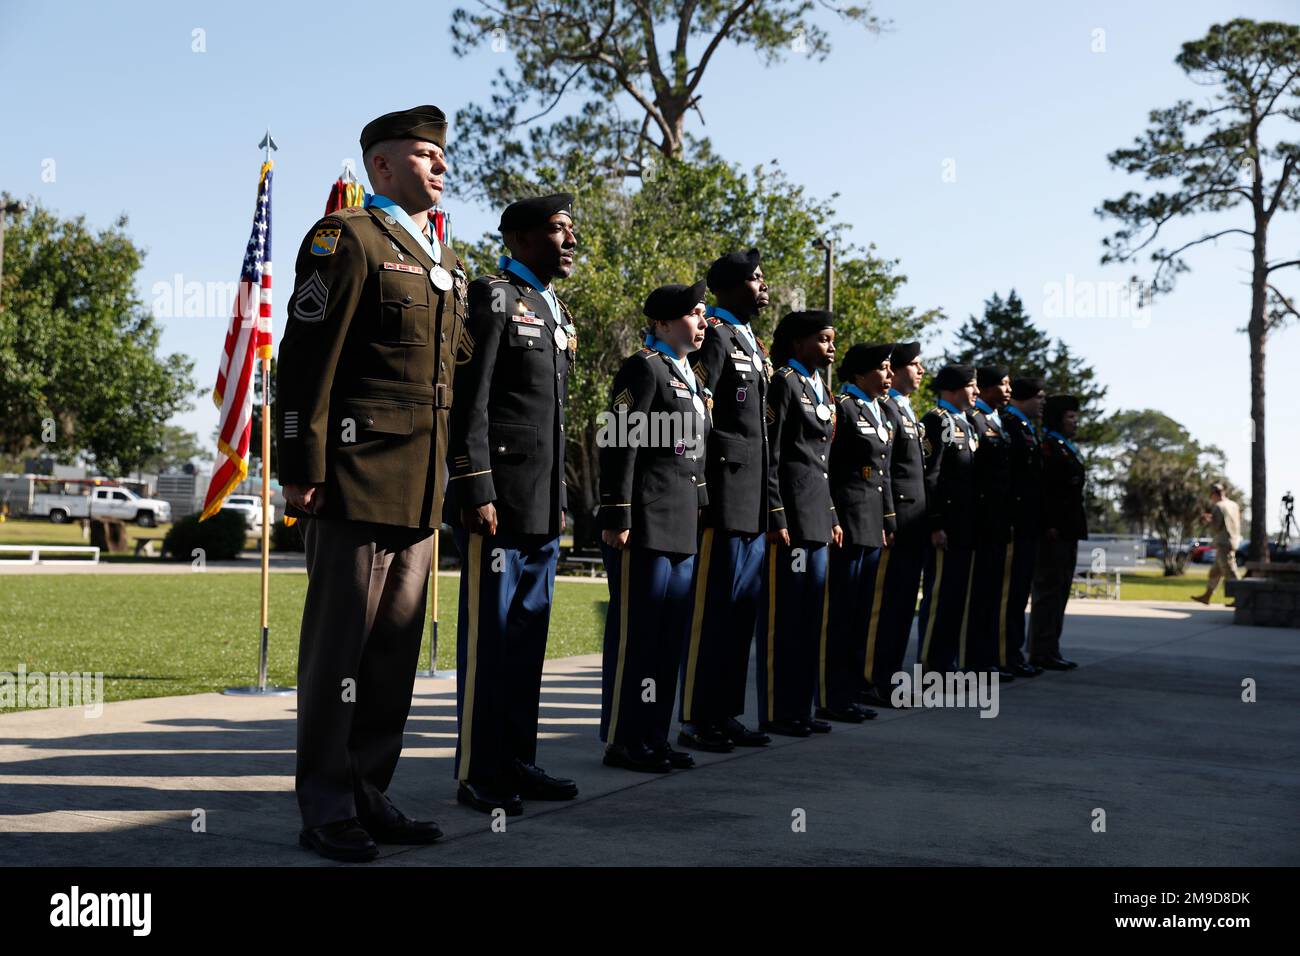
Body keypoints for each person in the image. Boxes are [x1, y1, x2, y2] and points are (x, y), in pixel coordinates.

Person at [276, 105, 464, 862]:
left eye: (442, 157)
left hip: (419, 485)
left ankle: (368, 792)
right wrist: (302, 467)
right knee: (340, 652)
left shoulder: (439, 261)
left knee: (391, 651)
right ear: (381, 166)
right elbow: (305, 362)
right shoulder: (344, 240)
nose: (440, 168)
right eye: (426, 155)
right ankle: (325, 805)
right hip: (353, 478)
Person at [445, 193, 580, 814]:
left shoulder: (552, 309)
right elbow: (469, 397)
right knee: (491, 641)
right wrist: (476, 485)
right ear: (522, 238)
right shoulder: (493, 295)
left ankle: (517, 760)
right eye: (558, 230)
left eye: (570, 230)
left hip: (540, 506)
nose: (570, 241)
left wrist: (559, 502)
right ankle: (479, 769)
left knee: (527, 641)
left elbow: (549, 421)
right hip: (498, 503)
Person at [598, 282, 710, 772]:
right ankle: (625, 740)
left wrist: (702, 506)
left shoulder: (693, 378)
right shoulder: (644, 367)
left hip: (682, 523)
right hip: (645, 521)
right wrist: (617, 511)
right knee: (638, 638)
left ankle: (654, 735)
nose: (702, 323)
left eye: (704, 314)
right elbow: (619, 441)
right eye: (693, 314)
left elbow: (696, 455)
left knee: (669, 640)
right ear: (663, 323)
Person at [678, 249, 773, 753]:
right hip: (722, 493)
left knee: (740, 612)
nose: (764, 286)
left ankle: (726, 711)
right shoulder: (714, 333)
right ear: (732, 286)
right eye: (756, 279)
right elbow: (699, 413)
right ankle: (697, 715)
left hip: (752, 497)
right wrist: (699, 487)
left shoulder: (751, 343)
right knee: (711, 612)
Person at [760, 310, 842, 736]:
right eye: (824, 339)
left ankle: (800, 707)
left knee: (810, 618)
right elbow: (773, 455)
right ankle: (777, 709)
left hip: (816, 519)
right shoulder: (783, 382)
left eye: (833, 339)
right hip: (790, 518)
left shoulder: (821, 389)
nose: (831, 347)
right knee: (784, 620)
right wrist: (775, 512)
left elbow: (822, 464)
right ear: (797, 343)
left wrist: (831, 516)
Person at [820, 342, 895, 723]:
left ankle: (848, 692)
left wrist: (886, 522)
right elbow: (827, 468)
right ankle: (830, 694)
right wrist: (833, 516)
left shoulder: (879, 411)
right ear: (861, 372)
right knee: (840, 614)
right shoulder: (842, 407)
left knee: (859, 616)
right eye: (882, 368)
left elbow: (881, 475)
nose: (889, 375)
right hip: (847, 523)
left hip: (870, 527)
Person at [865, 342, 927, 706]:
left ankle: (890, 677)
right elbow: (885, 470)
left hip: (912, 520)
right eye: (915, 365)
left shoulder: (904, 408)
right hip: (895, 518)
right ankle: (871, 678)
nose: (921, 371)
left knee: (903, 605)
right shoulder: (884, 407)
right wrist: (888, 515)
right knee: (881, 607)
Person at [916, 364, 979, 673]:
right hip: (947, 528)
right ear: (953, 388)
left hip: (965, 527)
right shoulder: (937, 420)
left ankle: (947, 663)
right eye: (972, 386)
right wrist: (936, 523)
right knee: (939, 599)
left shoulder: (965, 424)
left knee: (956, 601)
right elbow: (932, 476)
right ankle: (931, 667)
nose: (977, 392)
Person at [1029, 394, 1086, 670]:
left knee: (1061, 588)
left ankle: (1051, 647)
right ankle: (1040, 648)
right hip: (1054, 530)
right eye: (1070, 417)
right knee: (1049, 589)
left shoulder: (1065, 446)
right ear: (1057, 419)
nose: (1075, 422)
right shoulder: (1049, 447)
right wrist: (1049, 524)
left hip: (1068, 528)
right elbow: (1045, 490)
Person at [965, 365, 1014, 676]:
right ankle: (972, 661)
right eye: (1003, 384)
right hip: (980, 522)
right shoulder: (975, 420)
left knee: (992, 596)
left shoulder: (999, 422)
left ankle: (986, 659)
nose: (1008, 389)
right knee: (977, 597)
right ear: (984, 387)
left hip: (998, 521)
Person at [999, 376, 1046, 677]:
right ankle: (1006, 653)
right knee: (1009, 594)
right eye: (1039, 397)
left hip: (1028, 523)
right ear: (1024, 397)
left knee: (1019, 594)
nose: (1043, 403)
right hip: (1014, 523)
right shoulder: (1009, 425)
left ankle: (1013, 651)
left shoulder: (1026, 428)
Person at [1193, 483, 1242, 604]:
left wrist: (1208, 520)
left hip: (1223, 542)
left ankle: (1241, 597)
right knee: (1215, 571)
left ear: (1214, 494)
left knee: (1230, 570)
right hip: (1233, 539)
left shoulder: (1218, 506)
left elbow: (1217, 526)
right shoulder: (1233, 505)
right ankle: (1207, 596)